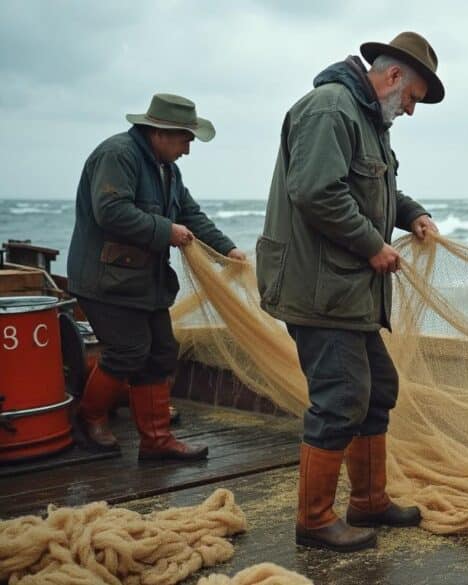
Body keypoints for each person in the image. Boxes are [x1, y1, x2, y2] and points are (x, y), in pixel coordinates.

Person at [257, 31, 442, 553]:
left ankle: (368, 501)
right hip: (320, 289)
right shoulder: (329, 110)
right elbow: (317, 191)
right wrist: (372, 246)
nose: (410, 110)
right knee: (341, 398)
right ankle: (313, 520)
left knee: (377, 390)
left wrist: (412, 213)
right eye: (411, 99)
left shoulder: (368, 121)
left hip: (348, 292)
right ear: (391, 77)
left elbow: (376, 187)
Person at [68, 93, 246, 462]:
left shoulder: (168, 169)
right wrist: (167, 231)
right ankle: (89, 419)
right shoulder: (118, 155)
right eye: (186, 139)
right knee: (128, 351)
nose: (188, 149)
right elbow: (111, 211)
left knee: (161, 352)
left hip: (144, 282)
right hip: (105, 279)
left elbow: (191, 214)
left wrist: (227, 249)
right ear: (161, 132)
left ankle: (156, 441)